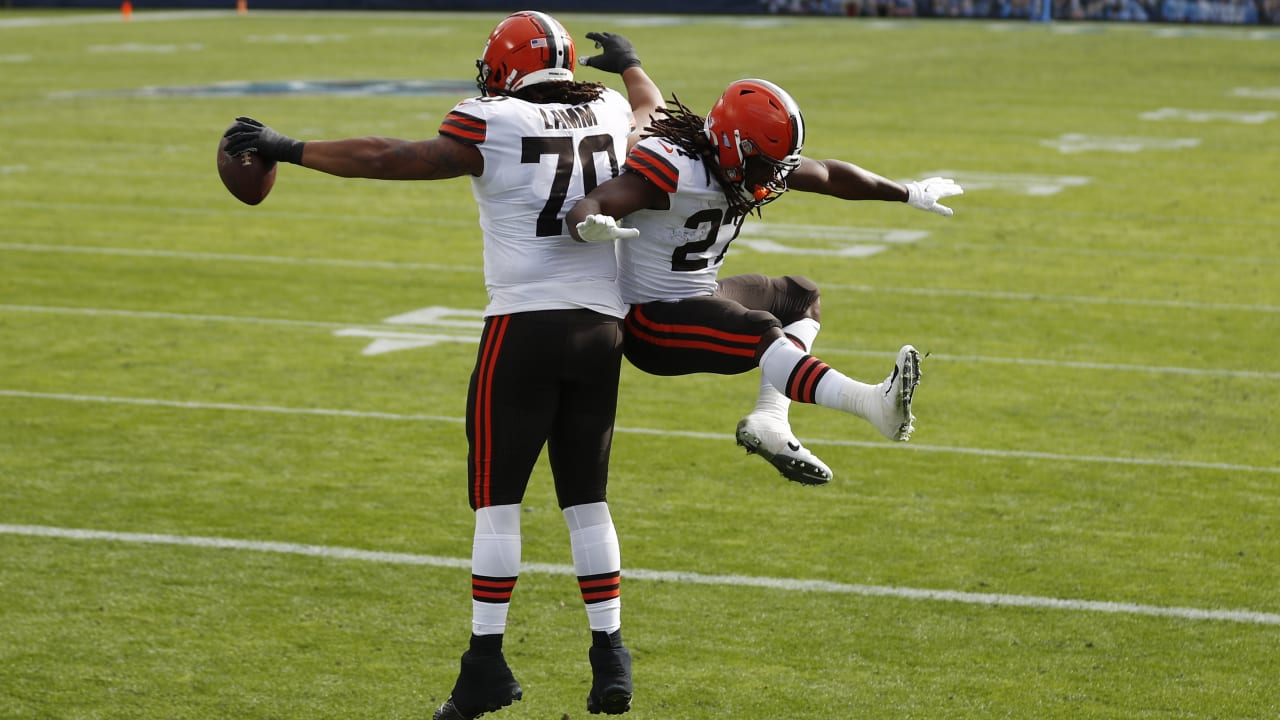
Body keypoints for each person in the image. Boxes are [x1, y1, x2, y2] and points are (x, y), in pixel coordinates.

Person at [221, 13, 662, 719]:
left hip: (523, 327)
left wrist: (289, 148)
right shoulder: (609, 107)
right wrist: (633, 62)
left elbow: (392, 156)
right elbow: (650, 114)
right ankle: (610, 654)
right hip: (600, 329)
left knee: (498, 502)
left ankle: (486, 663)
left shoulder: (494, 120)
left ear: (506, 68)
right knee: (587, 499)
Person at [567, 79, 962, 486]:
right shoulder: (673, 167)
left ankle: (770, 419)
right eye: (766, 165)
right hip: (650, 322)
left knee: (800, 297)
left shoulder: (749, 161)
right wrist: (588, 225)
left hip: (699, 296)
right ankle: (872, 404)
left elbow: (828, 175)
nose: (773, 178)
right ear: (731, 145)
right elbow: (593, 203)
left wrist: (908, 193)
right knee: (760, 329)